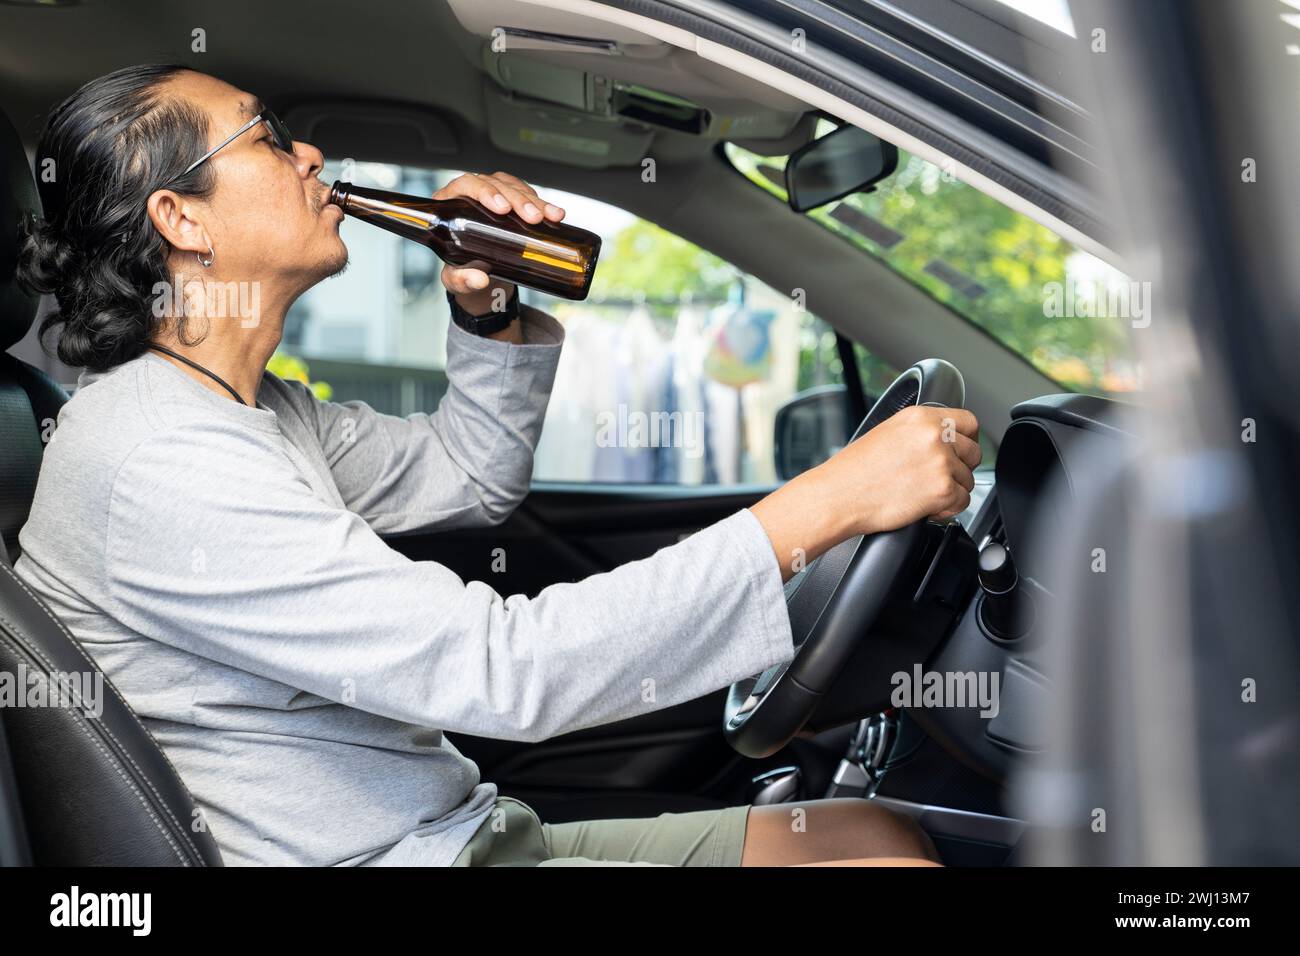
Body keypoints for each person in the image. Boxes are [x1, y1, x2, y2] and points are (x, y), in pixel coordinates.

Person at [12, 64, 979, 866]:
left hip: (462, 836)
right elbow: (503, 671)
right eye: (264, 136)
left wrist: (485, 309)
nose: (309, 155)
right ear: (183, 219)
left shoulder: (251, 408)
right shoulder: (157, 458)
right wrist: (830, 502)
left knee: (868, 833)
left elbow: (469, 474)